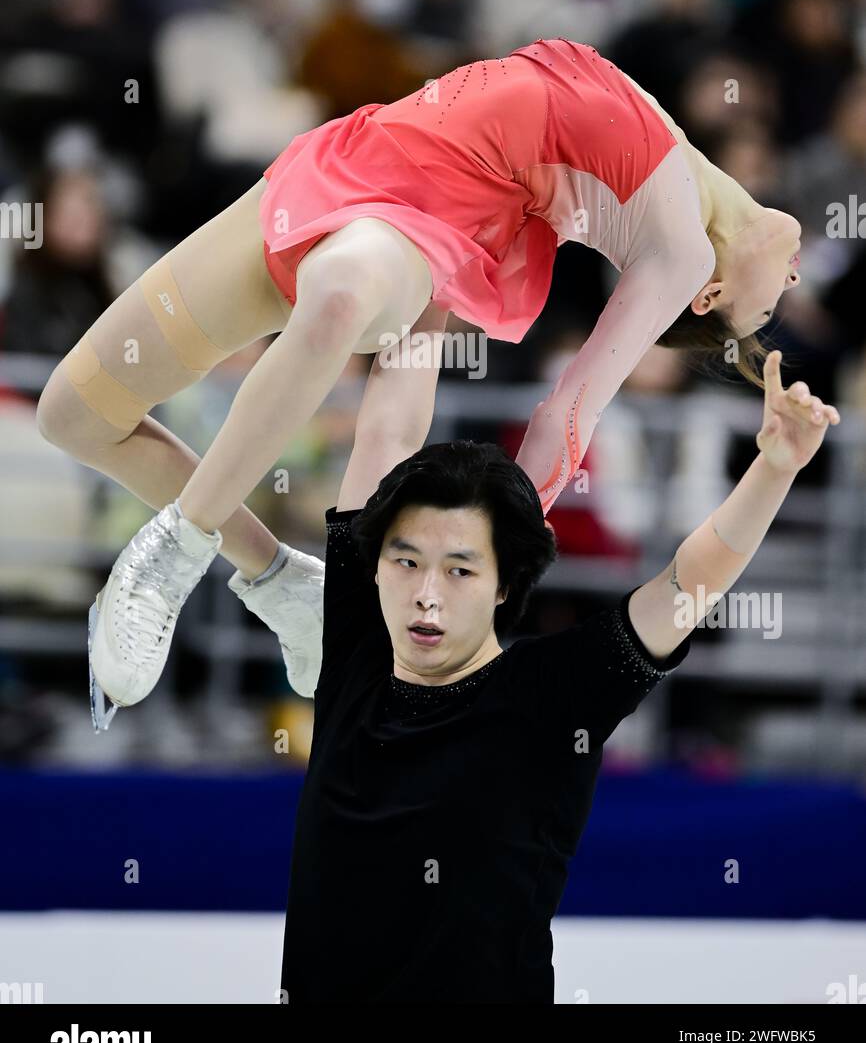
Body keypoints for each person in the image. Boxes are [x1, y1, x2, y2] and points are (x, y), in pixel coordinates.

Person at [34, 37, 803, 728]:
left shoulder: (684, 255)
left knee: (338, 297)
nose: (795, 274)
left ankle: (175, 553)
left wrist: (493, 554)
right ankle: (278, 582)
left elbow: (567, 415)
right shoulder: (676, 146)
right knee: (72, 414)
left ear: (705, 296)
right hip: (344, 157)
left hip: (417, 224)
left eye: (767, 305)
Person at [278, 347, 839, 1003]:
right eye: (406, 564)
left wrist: (773, 470)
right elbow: (386, 431)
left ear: (502, 586)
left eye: (459, 570)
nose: (426, 594)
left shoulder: (553, 692)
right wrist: (428, 261)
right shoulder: (359, 645)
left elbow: (689, 586)